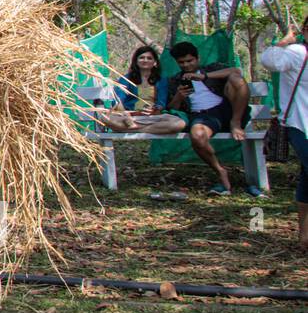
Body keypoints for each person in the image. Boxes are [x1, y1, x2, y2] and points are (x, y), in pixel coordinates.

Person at [165, 41, 254, 196]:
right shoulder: (176, 80)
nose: (186, 65)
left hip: (226, 110)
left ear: (197, 58)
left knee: (236, 79)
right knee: (197, 136)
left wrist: (203, 76)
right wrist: (179, 96)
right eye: (181, 62)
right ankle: (220, 171)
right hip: (202, 116)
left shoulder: (212, 69)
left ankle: (236, 122)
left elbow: (236, 71)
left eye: (189, 61)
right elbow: (172, 109)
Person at [260, 15, 308, 249]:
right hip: (301, 124)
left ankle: (303, 237)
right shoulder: (298, 52)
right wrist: (284, 41)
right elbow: (269, 60)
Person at [101, 45, 186, 134]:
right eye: (142, 58)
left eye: (149, 58)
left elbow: (162, 103)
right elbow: (118, 100)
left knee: (179, 124)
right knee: (105, 118)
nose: (145, 60)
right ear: (136, 61)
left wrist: (155, 109)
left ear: (155, 62)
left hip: (154, 118)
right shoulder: (126, 79)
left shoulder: (161, 80)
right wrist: (125, 114)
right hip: (130, 118)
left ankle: (136, 129)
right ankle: (143, 128)